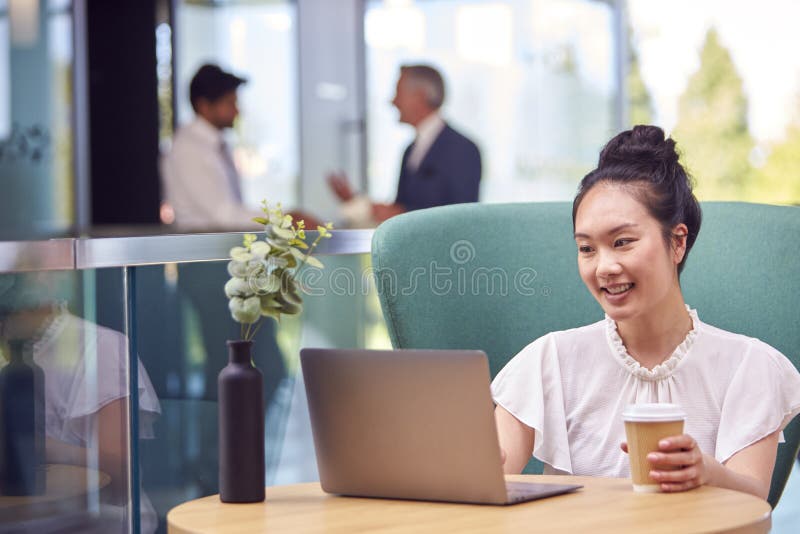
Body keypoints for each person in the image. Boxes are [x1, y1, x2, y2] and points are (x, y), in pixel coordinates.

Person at [491, 125, 800, 499]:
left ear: (677, 242)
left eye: (622, 242)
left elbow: (753, 500)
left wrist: (707, 472)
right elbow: (490, 475)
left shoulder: (750, 366)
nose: (603, 267)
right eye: (586, 248)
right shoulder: (549, 361)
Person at [328, 64, 481, 227]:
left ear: (419, 96)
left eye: (398, 92)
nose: (392, 101)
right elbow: (401, 207)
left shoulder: (463, 149)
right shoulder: (410, 151)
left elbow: (462, 219)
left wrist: (401, 213)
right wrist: (358, 202)